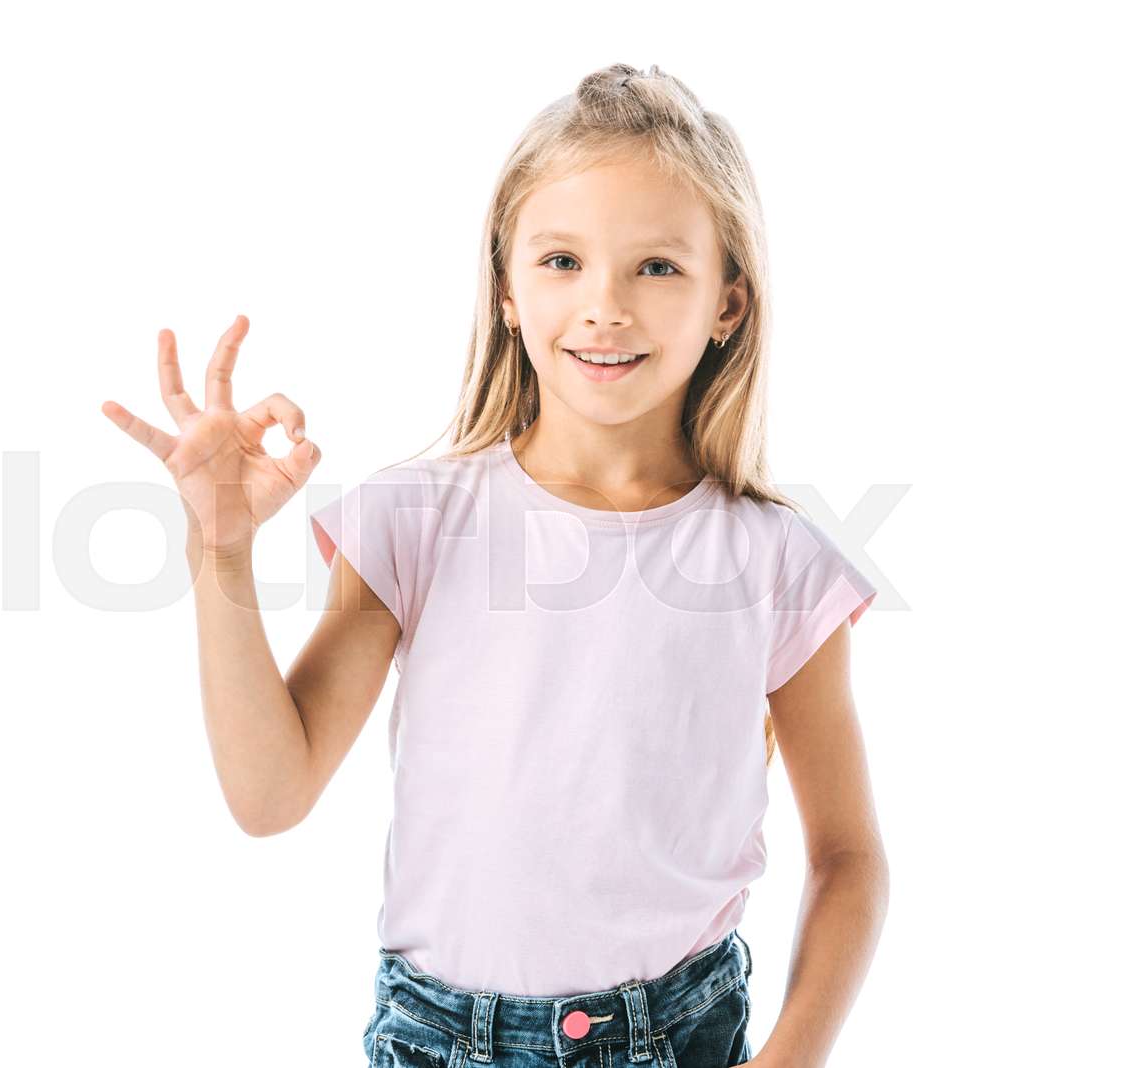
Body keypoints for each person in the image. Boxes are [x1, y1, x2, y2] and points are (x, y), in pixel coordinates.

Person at [101, 61, 887, 1068]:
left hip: (674, 1037)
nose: (604, 306)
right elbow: (270, 795)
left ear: (727, 304)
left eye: (656, 267)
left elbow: (849, 859)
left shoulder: (777, 563)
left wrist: (788, 1059)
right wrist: (222, 550)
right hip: (437, 1039)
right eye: (562, 260)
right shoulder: (417, 521)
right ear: (507, 289)